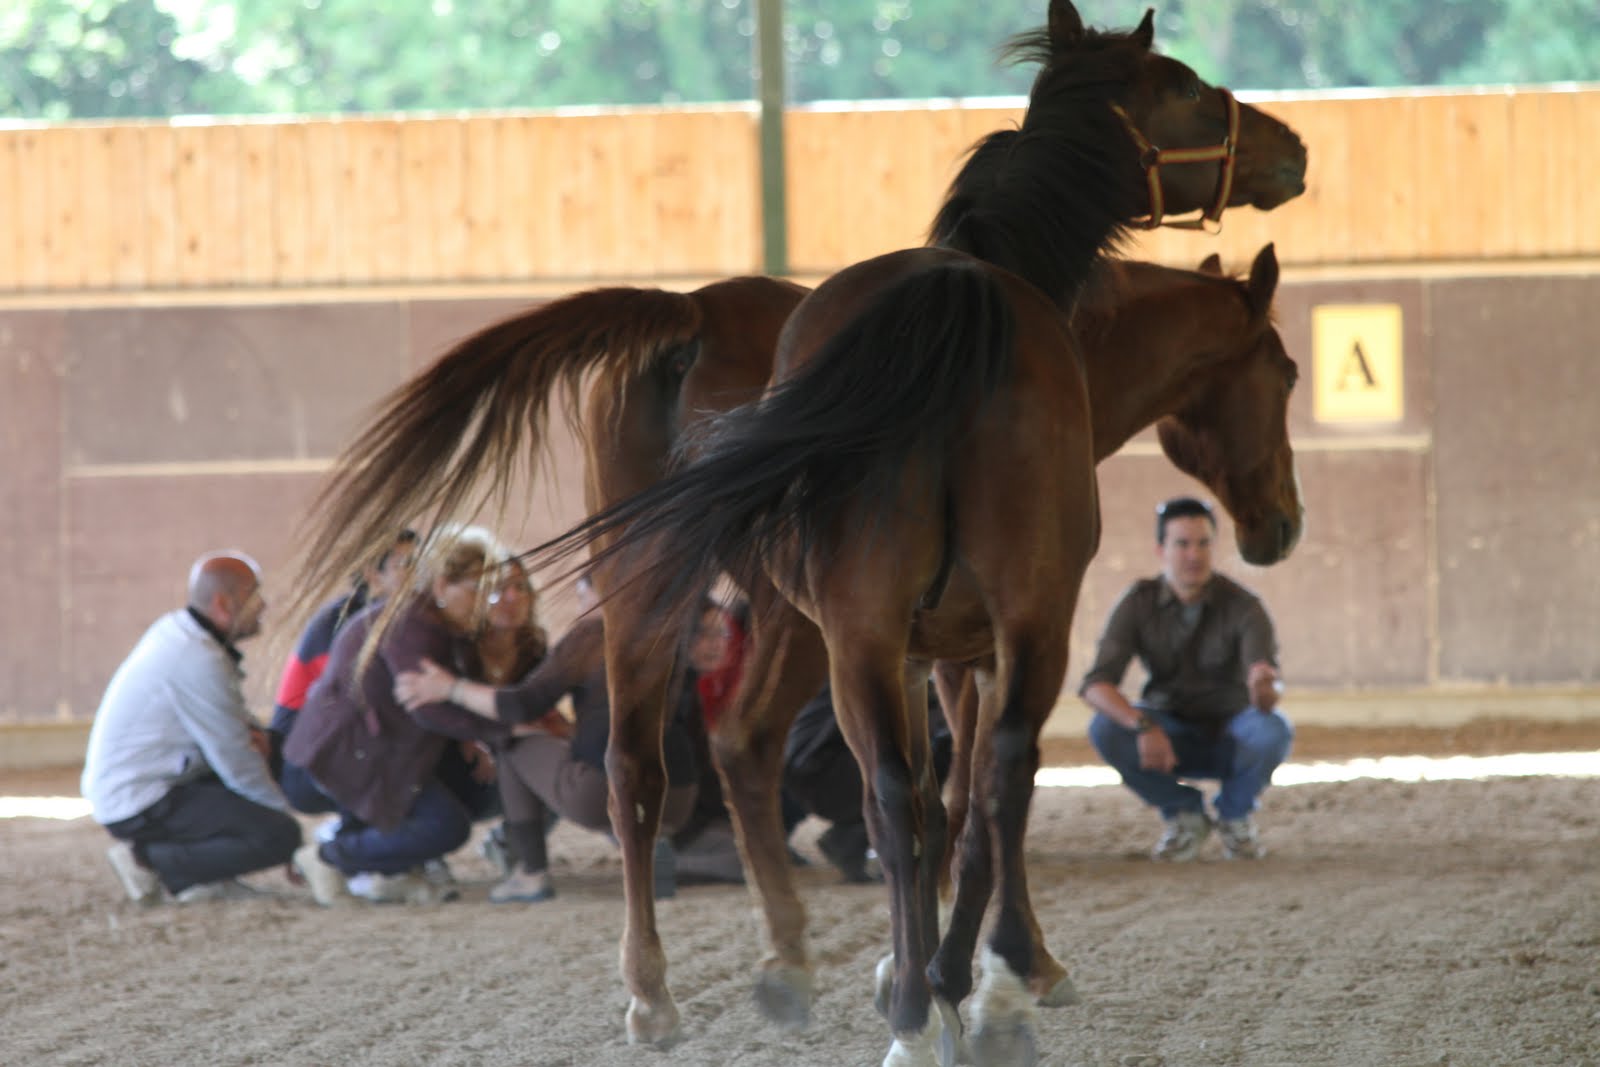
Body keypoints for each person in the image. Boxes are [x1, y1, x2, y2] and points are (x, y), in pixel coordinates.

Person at [393, 569, 700, 902]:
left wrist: (450, 688)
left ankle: (530, 873)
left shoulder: (593, 635)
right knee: (569, 747)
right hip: (680, 793)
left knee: (512, 739)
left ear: (600, 596)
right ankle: (647, 844)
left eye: (584, 598)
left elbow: (521, 705)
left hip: (609, 792)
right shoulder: (668, 635)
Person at [284, 525, 515, 905]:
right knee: (445, 825)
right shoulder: (412, 623)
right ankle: (330, 855)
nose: (483, 602)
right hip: (351, 753)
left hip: (378, 749)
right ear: (441, 585)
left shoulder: (430, 621)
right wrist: (498, 730)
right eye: (475, 589)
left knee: (450, 803)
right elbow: (425, 707)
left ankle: (379, 869)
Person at [81, 551, 302, 904]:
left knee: (271, 755)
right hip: (139, 799)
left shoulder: (184, 633)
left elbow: (239, 739)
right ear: (223, 604)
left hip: (165, 779)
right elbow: (236, 762)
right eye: (254, 595)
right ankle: (147, 861)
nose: (263, 605)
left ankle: (205, 873)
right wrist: (293, 835)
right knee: (278, 834)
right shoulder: (197, 658)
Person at [1080, 496, 1293, 862]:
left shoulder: (1245, 606)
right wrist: (1144, 725)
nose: (1193, 554)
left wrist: (1265, 689)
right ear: (1161, 549)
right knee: (1105, 728)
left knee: (1273, 729)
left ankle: (1234, 816)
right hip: (1167, 731)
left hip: (1231, 732)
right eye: (1182, 543)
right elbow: (1096, 685)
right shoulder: (1138, 602)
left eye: (1203, 543)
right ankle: (1184, 813)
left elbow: (1267, 683)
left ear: (1214, 547)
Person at [268, 529, 417, 813]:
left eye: (421, 565)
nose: (418, 576)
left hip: (352, 747)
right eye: (406, 565)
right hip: (304, 762)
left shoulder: (401, 620)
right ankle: (342, 845)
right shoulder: (340, 625)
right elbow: (355, 708)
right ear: (373, 575)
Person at [781, 679, 953, 883]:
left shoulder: (843, 658)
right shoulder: (896, 666)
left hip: (794, 778)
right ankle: (892, 848)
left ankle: (850, 838)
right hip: (828, 772)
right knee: (942, 739)